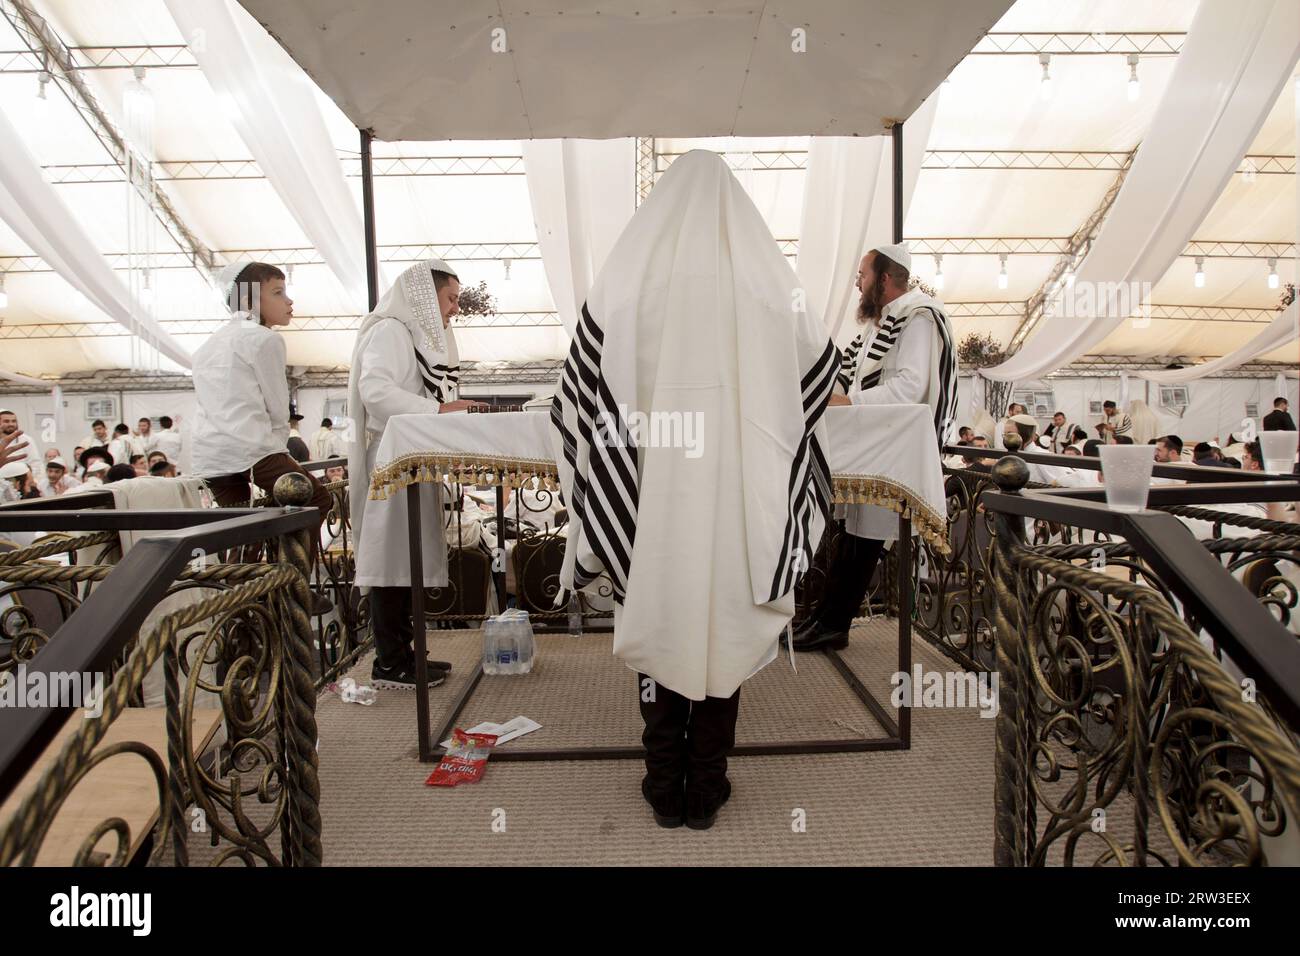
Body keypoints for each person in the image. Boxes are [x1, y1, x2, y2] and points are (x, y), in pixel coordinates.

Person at [552, 150, 839, 830]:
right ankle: (707, 781)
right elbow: (818, 374)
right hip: (740, 498)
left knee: (659, 612)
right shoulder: (767, 283)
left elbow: (575, 395)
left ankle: (662, 779)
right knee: (723, 622)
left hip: (650, 497)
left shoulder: (627, 280)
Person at [795, 240, 956, 654]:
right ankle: (825, 620)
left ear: (884, 279)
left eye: (862, 275)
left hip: (892, 448)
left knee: (864, 540)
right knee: (851, 535)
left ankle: (833, 625)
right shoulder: (880, 325)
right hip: (874, 441)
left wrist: (850, 402)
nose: (857, 283)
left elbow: (911, 386)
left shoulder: (917, 318)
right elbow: (849, 372)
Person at [349, 259, 482, 690]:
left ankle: (407, 654)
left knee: (407, 561)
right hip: (391, 461)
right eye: (450, 298)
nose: (455, 309)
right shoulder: (390, 330)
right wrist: (438, 410)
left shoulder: (410, 336)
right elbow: (375, 391)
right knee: (391, 563)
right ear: (426, 296)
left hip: (410, 458)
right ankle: (390, 662)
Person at [191, 261, 334, 614]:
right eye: (278, 292)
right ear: (249, 300)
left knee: (242, 529)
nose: (289, 301)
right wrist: (278, 446)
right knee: (317, 499)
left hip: (210, 454)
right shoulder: (264, 338)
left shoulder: (209, 343)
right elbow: (276, 405)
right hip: (252, 448)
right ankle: (292, 590)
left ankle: (240, 605)